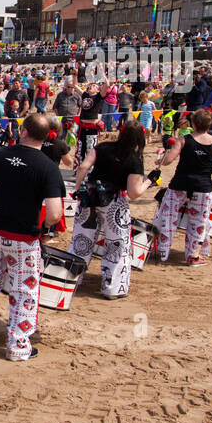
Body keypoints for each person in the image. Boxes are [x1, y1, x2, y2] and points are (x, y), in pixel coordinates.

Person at [0, 114, 64, 362]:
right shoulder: (48, 167)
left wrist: (0, 203)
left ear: (24, 132)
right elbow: (55, 213)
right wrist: (42, 225)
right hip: (23, 236)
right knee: (23, 290)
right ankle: (18, 344)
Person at [68, 120, 149, 298]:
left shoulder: (102, 147)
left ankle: (70, 279)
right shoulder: (134, 160)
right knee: (116, 245)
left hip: (90, 196)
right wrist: (148, 182)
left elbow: (82, 167)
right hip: (114, 202)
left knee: (81, 240)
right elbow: (134, 192)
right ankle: (112, 287)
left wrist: (79, 189)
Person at [152, 108, 212, 265]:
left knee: (168, 218)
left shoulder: (183, 139)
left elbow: (167, 161)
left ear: (193, 123)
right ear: (209, 124)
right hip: (203, 186)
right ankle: (193, 256)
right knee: (199, 222)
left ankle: (162, 252)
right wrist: (211, 169)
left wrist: (160, 156)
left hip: (180, 183)